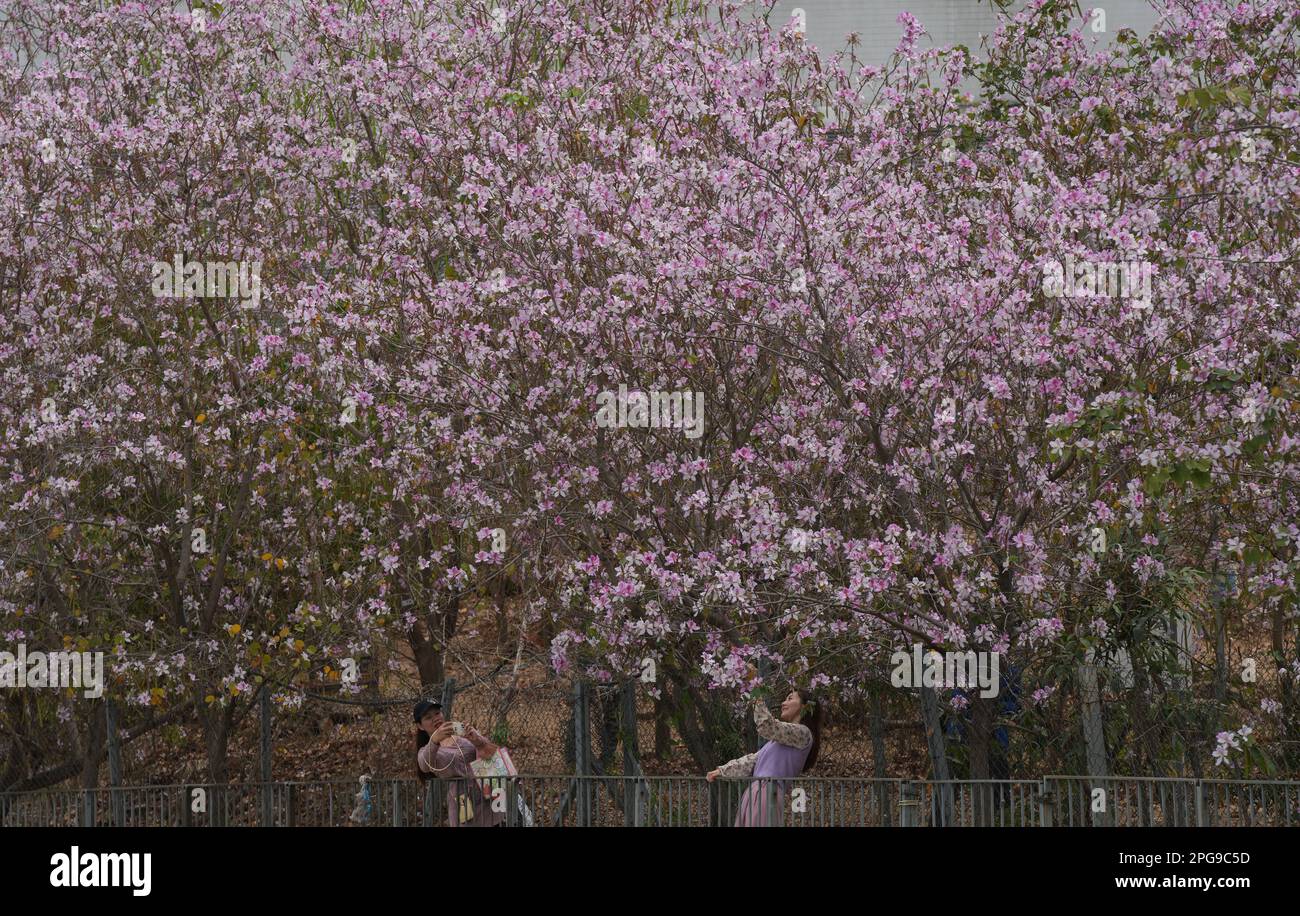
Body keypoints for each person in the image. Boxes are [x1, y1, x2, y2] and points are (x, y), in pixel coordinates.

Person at [706, 688, 823, 827]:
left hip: (767, 792)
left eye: (790, 698)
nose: (783, 703)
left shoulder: (803, 733)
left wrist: (757, 694)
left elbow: (768, 726)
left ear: (804, 706)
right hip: (757, 792)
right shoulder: (780, 740)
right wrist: (722, 771)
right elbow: (752, 760)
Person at [413, 699, 505, 827]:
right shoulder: (428, 750)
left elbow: (489, 750)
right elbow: (424, 765)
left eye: (437, 713)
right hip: (463, 801)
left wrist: (476, 739)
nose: (435, 718)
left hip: (489, 792)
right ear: (420, 726)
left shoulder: (461, 733)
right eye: (428, 717)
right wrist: (434, 740)